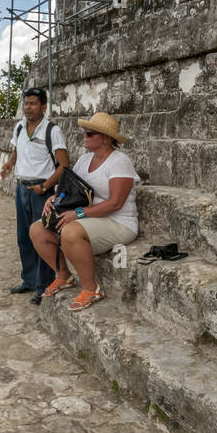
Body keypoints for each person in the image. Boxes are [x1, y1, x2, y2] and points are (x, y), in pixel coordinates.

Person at [32, 113, 138, 312]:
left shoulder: (119, 161)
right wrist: (53, 198)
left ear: (105, 139)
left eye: (89, 134)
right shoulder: (84, 159)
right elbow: (69, 188)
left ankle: (91, 288)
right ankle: (63, 276)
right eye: (85, 133)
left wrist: (78, 213)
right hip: (91, 217)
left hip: (119, 222)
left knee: (70, 231)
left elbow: (115, 203)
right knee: (37, 229)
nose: (84, 137)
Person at [0, 88, 72, 300]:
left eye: (33, 104)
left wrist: (45, 186)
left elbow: (64, 166)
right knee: (24, 238)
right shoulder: (19, 127)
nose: (28, 107)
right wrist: (10, 164)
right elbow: (17, 151)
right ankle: (29, 280)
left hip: (41, 191)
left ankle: (43, 285)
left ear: (44, 107)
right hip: (22, 188)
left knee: (41, 237)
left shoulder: (52, 131)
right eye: (26, 103)